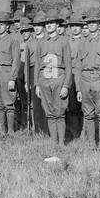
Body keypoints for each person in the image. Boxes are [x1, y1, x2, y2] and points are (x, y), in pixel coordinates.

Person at [72, 10, 100, 150]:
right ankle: (91, 143)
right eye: (89, 23)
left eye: (94, 22)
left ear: (99, 24)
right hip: (85, 81)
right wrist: (78, 88)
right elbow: (78, 67)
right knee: (88, 114)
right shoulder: (82, 43)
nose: (91, 25)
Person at [33, 8, 75, 147]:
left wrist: (65, 85)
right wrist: (37, 84)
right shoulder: (40, 42)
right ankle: (54, 141)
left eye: (52, 23)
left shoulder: (64, 41)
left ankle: (62, 142)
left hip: (59, 79)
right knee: (49, 113)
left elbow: (69, 65)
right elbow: (38, 65)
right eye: (47, 23)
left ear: (58, 25)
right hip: (44, 81)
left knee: (60, 112)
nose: (49, 25)